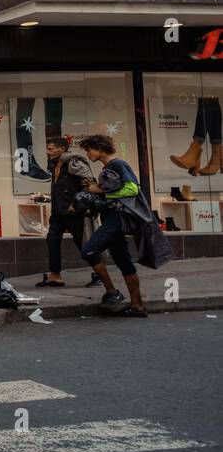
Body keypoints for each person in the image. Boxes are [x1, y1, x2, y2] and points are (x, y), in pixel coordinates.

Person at [77, 134, 148, 317]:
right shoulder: (109, 167)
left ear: (100, 148)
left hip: (116, 219)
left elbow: (133, 188)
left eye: (89, 150)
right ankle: (137, 306)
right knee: (123, 260)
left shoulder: (118, 164)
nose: (88, 154)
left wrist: (99, 191)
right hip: (111, 217)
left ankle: (111, 292)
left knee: (89, 251)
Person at [37, 138, 104, 289]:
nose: (48, 152)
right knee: (52, 240)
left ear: (62, 149)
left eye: (51, 149)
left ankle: (100, 275)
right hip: (58, 211)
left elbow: (89, 184)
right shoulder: (55, 163)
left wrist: (76, 203)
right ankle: (55, 275)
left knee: (83, 244)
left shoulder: (75, 163)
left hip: (73, 212)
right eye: (47, 149)